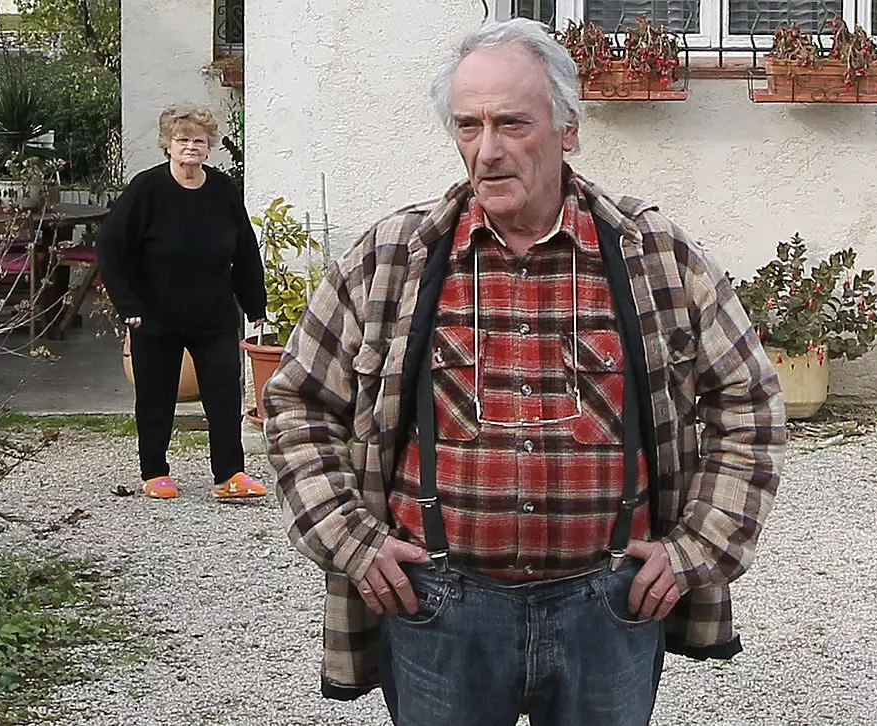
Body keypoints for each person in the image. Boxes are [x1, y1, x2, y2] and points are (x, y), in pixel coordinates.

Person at [262, 18, 786, 726]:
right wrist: (351, 540)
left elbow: (749, 402)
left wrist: (699, 547)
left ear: (568, 128)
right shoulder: (391, 257)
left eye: (512, 124)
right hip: (438, 608)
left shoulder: (654, 254)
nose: (487, 151)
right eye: (469, 126)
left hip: (609, 608)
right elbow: (297, 403)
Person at [97, 104, 268, 501]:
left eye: (199, 141)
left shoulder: (223, 191)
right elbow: (111, 247)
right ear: (168, 145)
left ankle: (230, 474)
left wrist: (255, 306)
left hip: (214, 315)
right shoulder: (147, 190)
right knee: (156, 399)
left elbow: (245, 251)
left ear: (209, 148)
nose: (191, 147)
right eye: (182, 140)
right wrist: (128, 305)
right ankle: (154, 471)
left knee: (225, 398)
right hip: (155, 316)